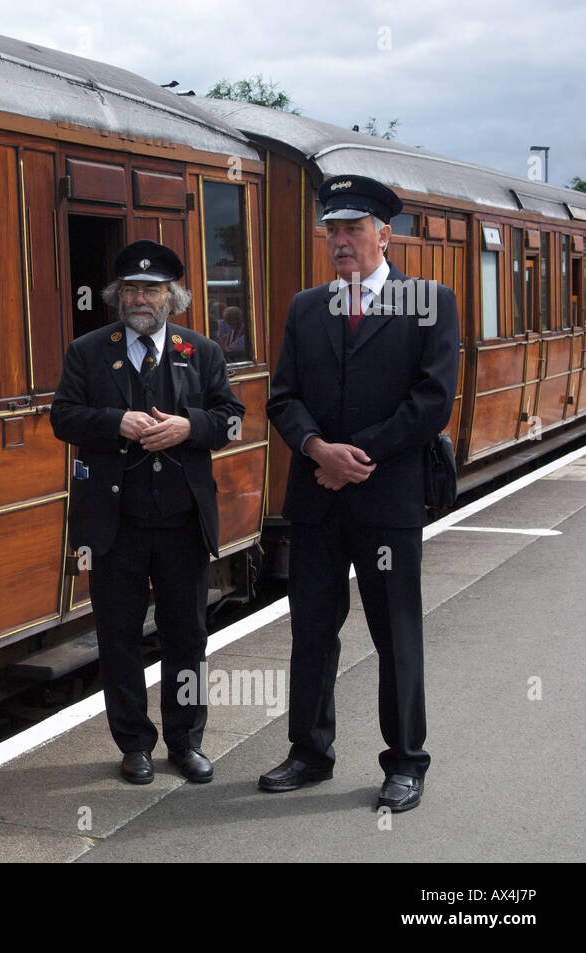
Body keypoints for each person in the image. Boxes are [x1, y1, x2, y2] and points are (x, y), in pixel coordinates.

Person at [261, 174, 459, 812]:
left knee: (395, 631)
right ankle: (309, 753)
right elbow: (282, 396)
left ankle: (405, 762)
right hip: (318, 497)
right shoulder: (305, 307)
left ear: (384, 234)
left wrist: (355, 457)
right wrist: (319, 449)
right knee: (312, 631)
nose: (340, 242)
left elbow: (430, 402)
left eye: (353, 229)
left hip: (385, 498)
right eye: (332, 231)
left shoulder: (429, 301)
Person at [51, 240, 244, 784]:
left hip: (183, 522)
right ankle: (134, 744)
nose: (141, 298)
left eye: (153, 289)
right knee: (118, 636)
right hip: (116, 526)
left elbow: (232, 419)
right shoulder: (88, 351)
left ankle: (186, 742)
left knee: (188, 635)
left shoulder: (200, 351)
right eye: (132, 289)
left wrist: (190, 427)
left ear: (172, 297)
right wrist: (115, 421)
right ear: (118, 296)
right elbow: (62, 418)